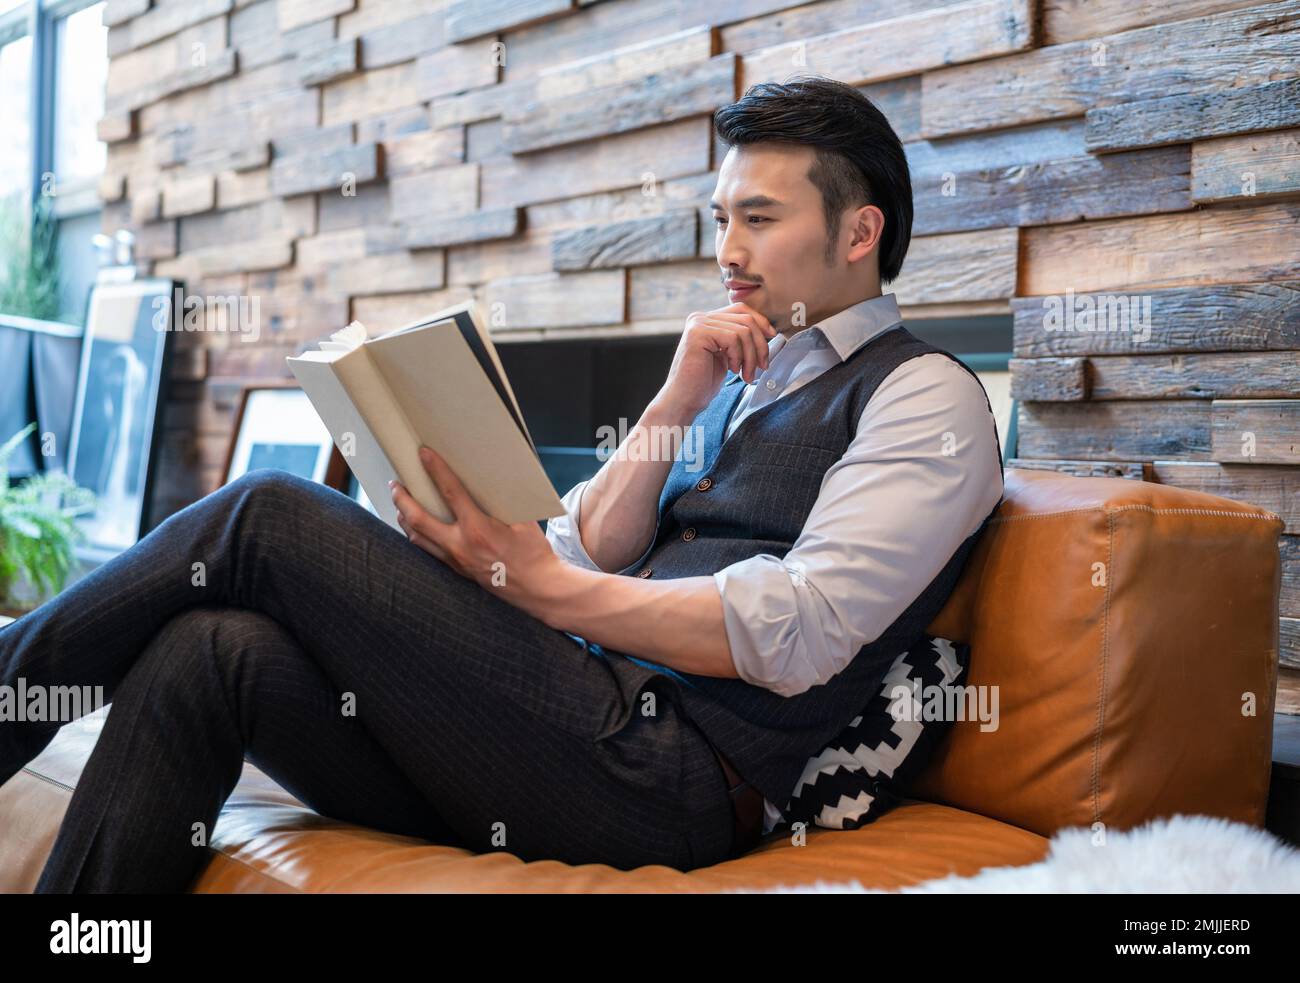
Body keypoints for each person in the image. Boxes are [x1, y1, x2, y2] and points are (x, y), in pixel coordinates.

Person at [0, 76, 1003, 892]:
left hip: (670, 777)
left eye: (758, 218)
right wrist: (675, 400)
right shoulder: (742, 374)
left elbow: (803, 626)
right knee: (211, 650)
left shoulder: (924, 397)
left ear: (858, 233)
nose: (726, 252)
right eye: (719, 218)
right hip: (556, 724)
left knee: (264, 515)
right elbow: (590, 543)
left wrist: (539, 589)